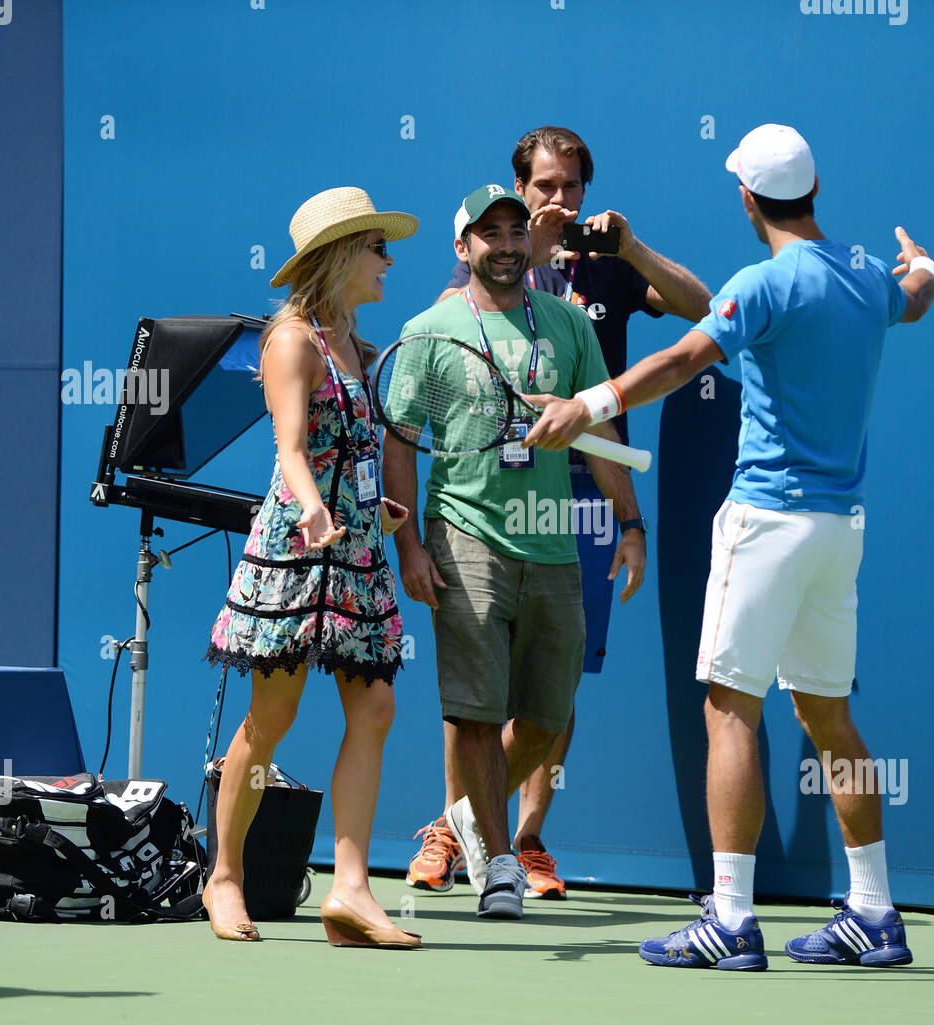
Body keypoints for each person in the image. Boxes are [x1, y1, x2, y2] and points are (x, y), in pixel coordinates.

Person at [524, 124, 934, 970]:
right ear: (810, 191)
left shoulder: (765, 282)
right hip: (837, 532)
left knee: (730, 708)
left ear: (748, 200)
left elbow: (680, 358)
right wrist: (924, 264)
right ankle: (873, 910)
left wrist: (587, 406)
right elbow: (919, 292)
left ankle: (732, 918)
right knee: (828, 715)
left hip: (766, 524)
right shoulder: (869, 277)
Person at [406, 126, 710, 900]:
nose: (558, 199)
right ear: (518, 188)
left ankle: (520, 836)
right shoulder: (492, 266)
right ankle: (472, 834)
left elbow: (701, 310)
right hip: (486, 496)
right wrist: (533, 255)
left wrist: (632, 250)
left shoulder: (605, 272)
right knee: (475, 687)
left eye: (570, 186)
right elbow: (445, 331)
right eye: (544, 185)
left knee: (556, 692)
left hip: (583, 497)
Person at [383, 184, 646, 919]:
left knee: (546, 714)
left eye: (513, 231)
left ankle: (464, 821)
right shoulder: (429, 330)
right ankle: (500, 865)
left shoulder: (567, 324)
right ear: (463, 248)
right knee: (473, 712)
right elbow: (398, 444)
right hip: (464, 537)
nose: (503, 244)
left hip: (555, 545)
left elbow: (602, 433)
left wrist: (630, 526)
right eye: (487, 233)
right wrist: (408, 545)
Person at [204, 186, 421, 949]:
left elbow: (355, 454)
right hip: (298, 554)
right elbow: (290, 448)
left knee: (376, 711)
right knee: (274, 717)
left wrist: (375, 515)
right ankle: (224, 877)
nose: (388, 261)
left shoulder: (358, 346)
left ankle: (351, 891)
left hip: (357, 552)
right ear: (341, 256)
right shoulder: (292, 340)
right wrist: (313, 508)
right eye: (376, 248)